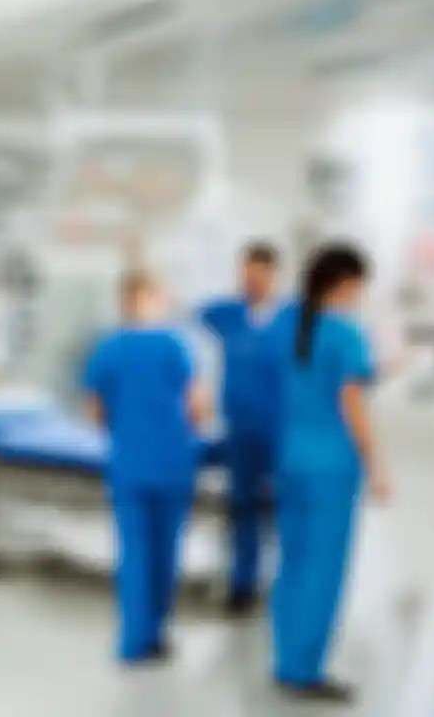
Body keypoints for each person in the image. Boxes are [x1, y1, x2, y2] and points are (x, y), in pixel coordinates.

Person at [268, 243, 388, 703]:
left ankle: (284, 660)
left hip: (292, 455)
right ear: (348, 283)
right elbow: (351, 403)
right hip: (331, 465)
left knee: (292, 560)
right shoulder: (347, 335)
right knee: (322, 568)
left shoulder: (288, 321)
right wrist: (376, 464)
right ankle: (304, 671)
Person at [85, 271, 204, 664]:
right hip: (171, 461)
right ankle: (155, 634)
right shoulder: (175, 346)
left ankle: (134, 641)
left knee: (134, 553)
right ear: (153, 297)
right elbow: (196, 407)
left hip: (129, 462)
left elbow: (96, 412)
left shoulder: (108, 349)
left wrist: (128, 426)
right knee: (165, 552)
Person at [199, 241, 283, 615]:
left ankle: (281, 584)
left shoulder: (289, 318)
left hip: (279, 430)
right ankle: (242, 584)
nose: (250, 281)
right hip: (239, 429)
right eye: (245, 273)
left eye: (258, 274)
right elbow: (194, 312)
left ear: (273, 275)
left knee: (279, 509)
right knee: (243, 507)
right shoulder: (228, 314)